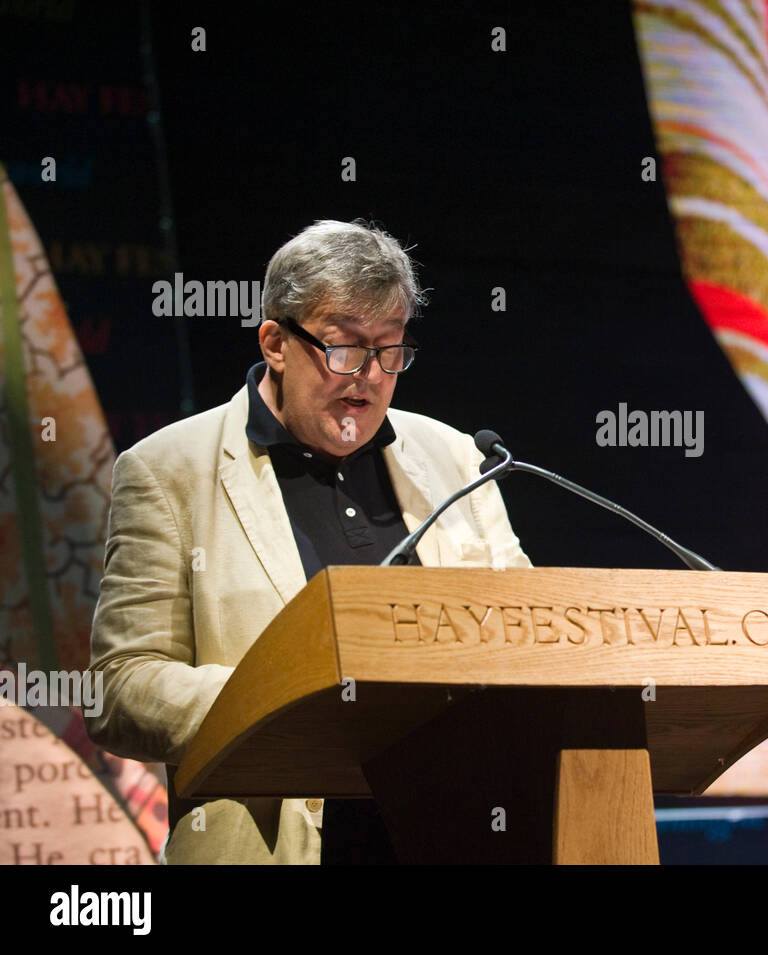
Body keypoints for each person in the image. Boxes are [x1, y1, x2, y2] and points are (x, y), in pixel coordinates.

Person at [84, 220, 531, 863]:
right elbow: (121, 688)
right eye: (343, 349)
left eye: (390, 352)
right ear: (274, 342)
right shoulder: (168, 471)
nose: (369, 377)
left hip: (458, 829)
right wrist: (291, 704)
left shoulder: (456, 458)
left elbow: (526, 633)